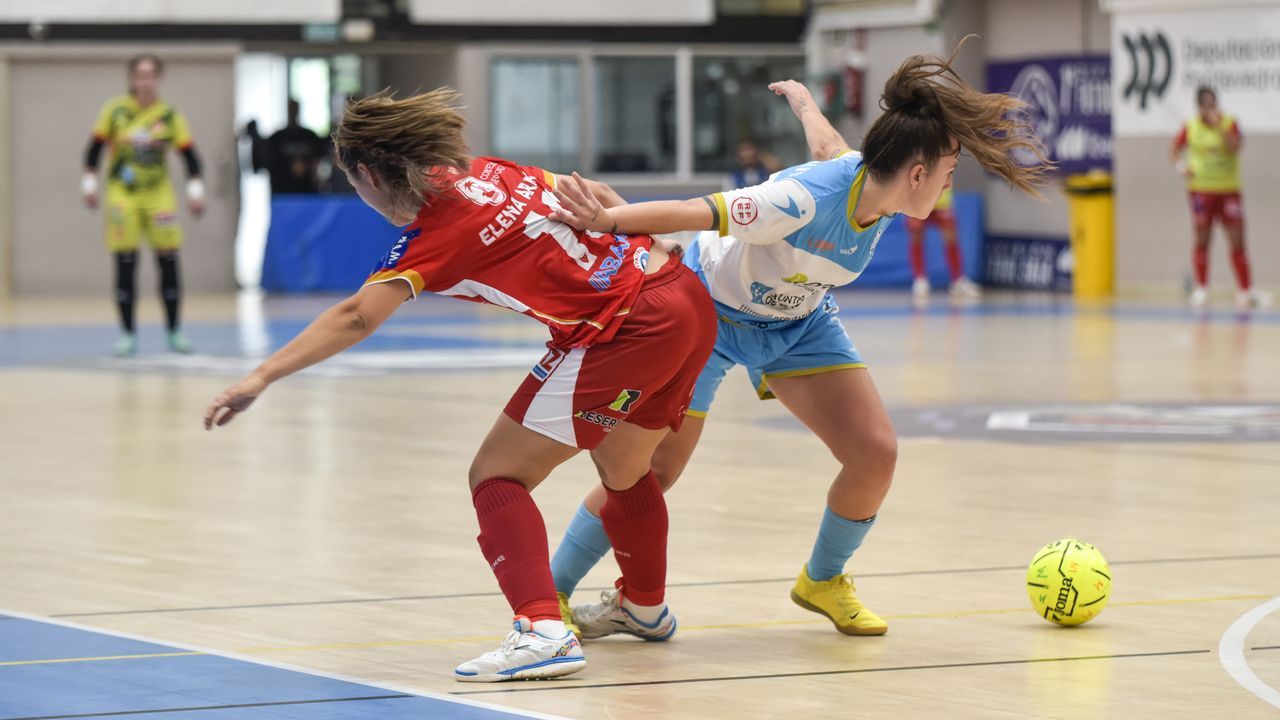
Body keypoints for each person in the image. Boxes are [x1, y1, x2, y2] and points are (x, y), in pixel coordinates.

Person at [202, 89, 718, 683]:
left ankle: (542, 631)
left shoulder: (434, 234)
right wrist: (644, 243)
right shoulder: (492, 169)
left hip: (624, 327)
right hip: (679, 291)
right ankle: (644, 608)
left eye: (355, 184)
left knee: (497, 475)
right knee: (625, 469)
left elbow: (357, 317)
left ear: (370, 175)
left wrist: (260, 376)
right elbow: (595, 195)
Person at [546, 44, 1048, 640]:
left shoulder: (876, 183)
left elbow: (828, 146)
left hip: (800, 321)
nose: (947, 184)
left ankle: (823, 580)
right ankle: (553, 588)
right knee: (655, 469)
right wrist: (606, 221)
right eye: (948, 173)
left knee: (874, 453)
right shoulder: (799, 200)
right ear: (918, 174)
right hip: (710, 317)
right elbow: (690, 211)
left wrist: (807, 104)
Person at [82, 54, 205, 356]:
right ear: (132, 78)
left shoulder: (169, 115)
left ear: (158, 78)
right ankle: (127, 334)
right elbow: (93, 151)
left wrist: (195, 191)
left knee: (168, 259)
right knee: (125, 260)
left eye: (151, 74)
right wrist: (89, 185)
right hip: (123, 195)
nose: (146, 80)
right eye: (140, 74)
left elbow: (190, 156)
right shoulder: (115, 111)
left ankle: (175, 331)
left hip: (158, 195)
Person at [1171, 86, 1267, 309]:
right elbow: (1174, 148)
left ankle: (1245, 291)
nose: (1210, 108)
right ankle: (1202, 289)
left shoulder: (1229, 123)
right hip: (1201, 190)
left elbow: (1235, 147)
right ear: (1199, 107)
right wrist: (1181, 165)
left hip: (1228, 190)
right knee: (1202, 237)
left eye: (1212, 103)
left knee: (1237, 238)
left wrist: (1220, 127)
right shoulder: (1191, 127)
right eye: (1205, 104)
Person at [906, 186, 981, 300]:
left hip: (941, 200)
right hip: (917, 199)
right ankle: (920, 280)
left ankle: (958, 281)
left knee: (951, 236)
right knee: (916, 235)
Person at [246, 99, 329, 194]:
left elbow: (321, 157)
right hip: (282, 193)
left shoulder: (309, 136)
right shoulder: (277, 138)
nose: (292, 112)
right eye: (291, 109)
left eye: (294, 109)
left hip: (307, 193)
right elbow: (265, 158)